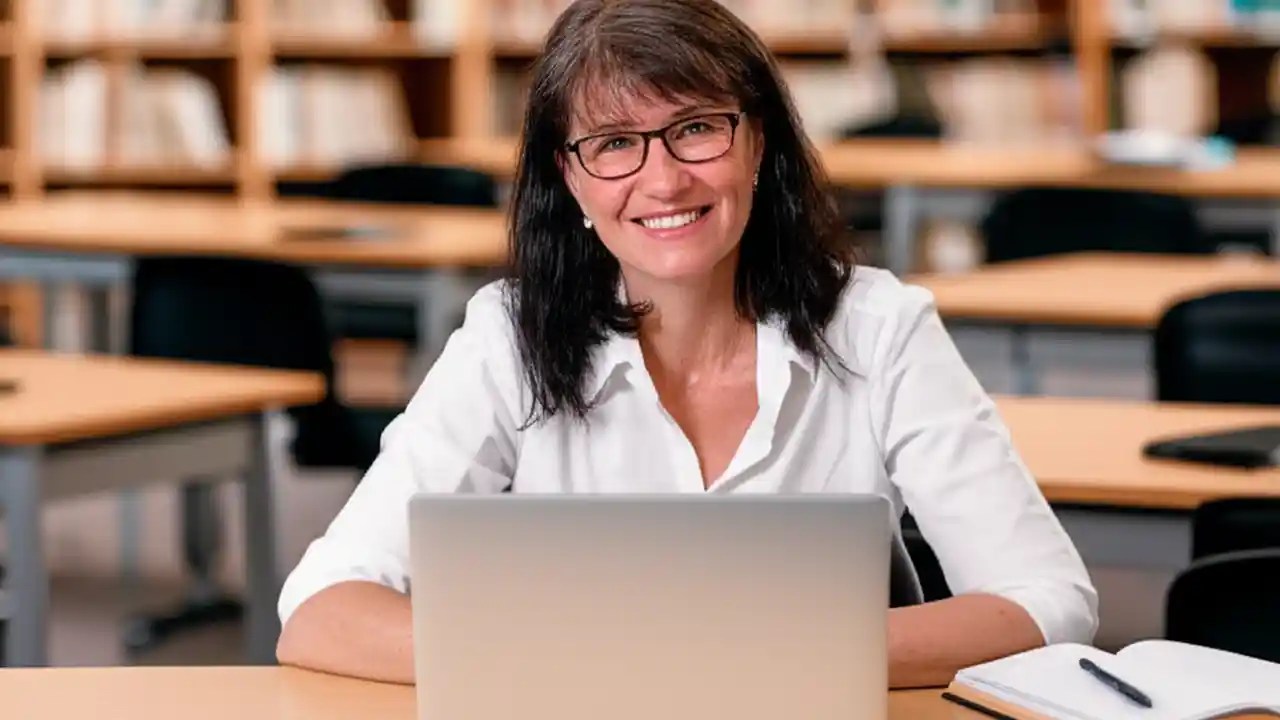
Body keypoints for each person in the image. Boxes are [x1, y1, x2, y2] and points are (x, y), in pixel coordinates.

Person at [276, 0, 1097, 688]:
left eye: (697, 128)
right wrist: (582, 666)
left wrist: (769, 661)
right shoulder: (507, 337)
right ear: (569, 177)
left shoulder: (878, 328)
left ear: (758, 142)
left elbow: (1048, 598)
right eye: (613, 144)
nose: (663, 180)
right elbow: (321, 608)